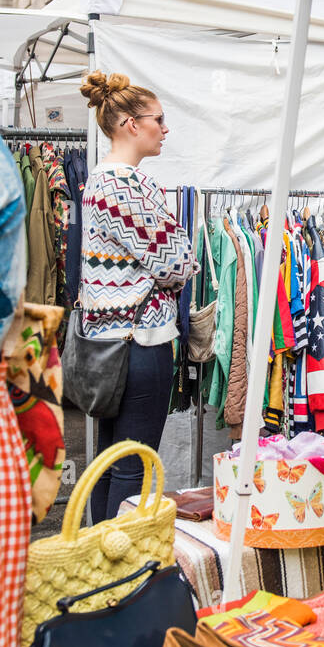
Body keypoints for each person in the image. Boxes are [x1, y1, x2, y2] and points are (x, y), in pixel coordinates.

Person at [79, 72, 196, 522]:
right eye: (159, 120)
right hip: (138, 340)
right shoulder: (125, 185)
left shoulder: (99, 182)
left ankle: (96, 560)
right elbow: (177, 261)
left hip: (109, 340)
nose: (165, 129)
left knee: (110, 462)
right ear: (131, 123)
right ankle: (115, 569)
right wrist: (178, 264)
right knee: (132, 466)